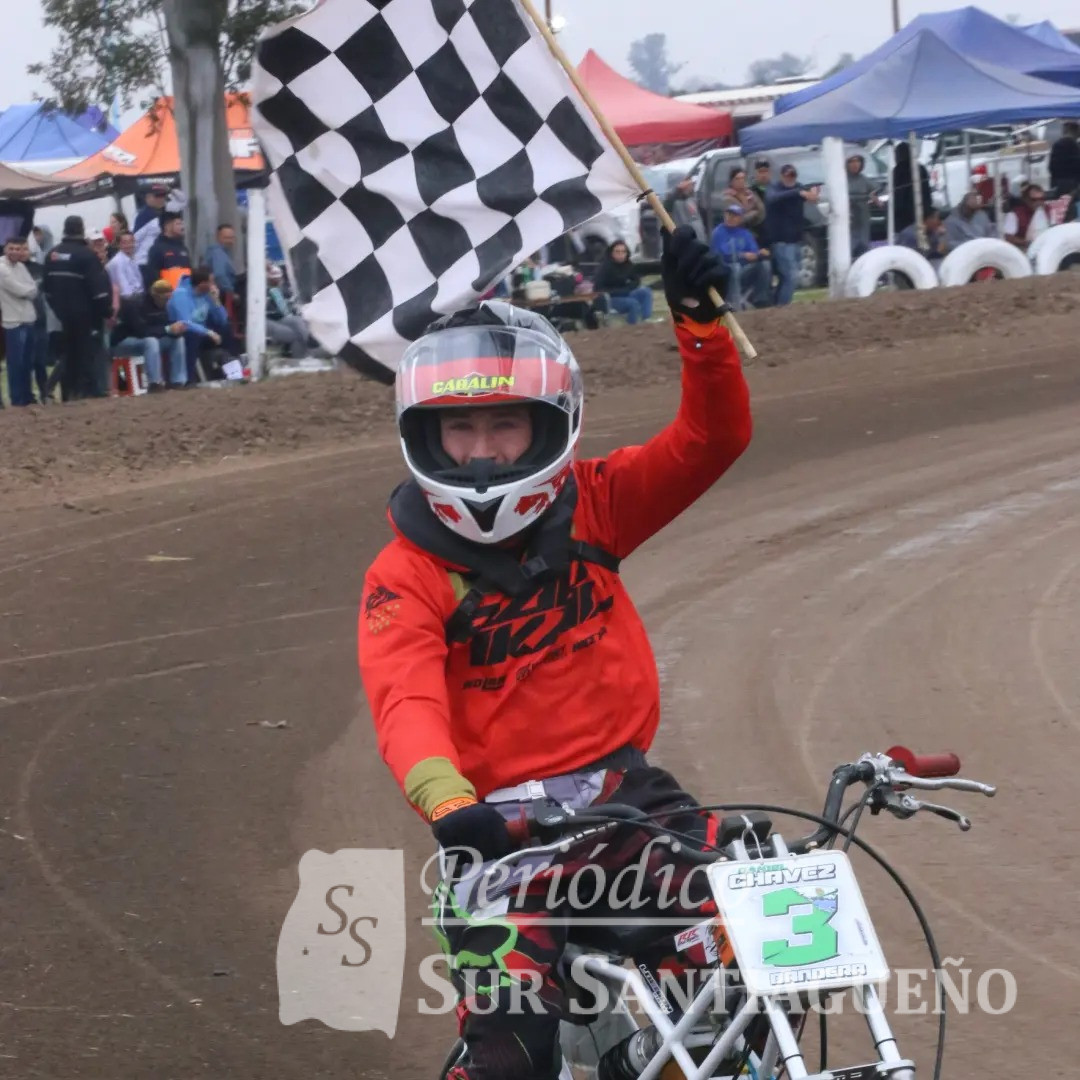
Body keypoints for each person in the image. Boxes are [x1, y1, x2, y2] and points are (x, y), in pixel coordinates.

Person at [357, 226, 751, 1080]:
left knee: (752, 963)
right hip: (503, 833)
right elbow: (406, 699)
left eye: (505, 424)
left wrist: (702, 331)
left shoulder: (595, 505)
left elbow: (709, 442)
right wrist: (448, 804)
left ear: (550, 426)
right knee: (507, 1055)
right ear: (427, 436)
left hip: (633, 802)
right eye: (461, 430)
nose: (485, 449)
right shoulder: (406, 573)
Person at [43, 215, 113, 401]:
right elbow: (98, 290)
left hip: (63, 315)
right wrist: (106, 310)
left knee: (69, 353)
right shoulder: (86, 255)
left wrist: (58, 309)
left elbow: (47, 289)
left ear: (65, 230)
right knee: (86, 353)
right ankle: (86, 392)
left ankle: (68, 394)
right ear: (81, 230)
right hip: (86, 315)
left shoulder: (52, 255)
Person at [111, 283, 187, 392]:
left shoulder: (166, 306)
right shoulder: (136, 305)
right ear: (156, 296)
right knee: (151, 341)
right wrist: (168, 329)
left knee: (178, 340)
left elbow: (165, 326)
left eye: (169, 298)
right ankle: (154, 383)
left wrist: (177, 330)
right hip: (124, 341)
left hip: (148, 341)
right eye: (165, 299)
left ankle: (178, 381)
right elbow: (141, 331)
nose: (167, 302)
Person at [765, 163, 818, 306]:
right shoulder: (775, 188)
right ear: (782, 176)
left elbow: (813, 199)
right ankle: (783, 306)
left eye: (793, 175)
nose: (790, 178)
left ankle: (777, 304)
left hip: (796, 240)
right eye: (788, 175)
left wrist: (813, 194)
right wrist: (798, 192)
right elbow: (772, 198)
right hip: (781, 242)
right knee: (791, 276)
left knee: (787, 277)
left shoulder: (799, 188)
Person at [169, 269, 234, 383]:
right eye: (211, 282)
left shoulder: (207, 295)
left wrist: (216, 301)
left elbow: (222, 320)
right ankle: (190, 380)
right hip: (182, 331)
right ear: (202, 284)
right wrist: (208, 332)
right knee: (191, 336)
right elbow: (185, 322)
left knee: (226, 328)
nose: (213, 285)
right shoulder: (180, 294)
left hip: (202, 331)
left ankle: (233, 368)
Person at [0, 236, 39, 406]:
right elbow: (21, 290)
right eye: (12, 248)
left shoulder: (22, 266)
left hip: (28, 319)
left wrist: (29, 290)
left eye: (18, 248)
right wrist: (29, 291)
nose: (15, 252)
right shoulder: (2, 268)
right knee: (15, 363)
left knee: (27, 362)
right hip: (13, 322)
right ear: (5, 249)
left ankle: (26, 397)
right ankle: (17, 399)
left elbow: (33, 288)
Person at [709, 203, 770, 310]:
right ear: (725, 215)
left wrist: (759, 254)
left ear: (740, 218)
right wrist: (742, 255)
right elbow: (720, 255)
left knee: (765, 265)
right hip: (726, 270)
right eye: (729, 215)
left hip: (744, 269)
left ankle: (760, 300)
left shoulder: (745, 233)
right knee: (734, 267)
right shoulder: (718, 232)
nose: (731, 218)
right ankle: (734, 303)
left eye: (735, 215)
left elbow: (754, 252)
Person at [593, 240, 654, 324]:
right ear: (611, 253)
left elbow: (636, 280)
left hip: (626, 293)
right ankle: (632, 328)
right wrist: (619, 291)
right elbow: (598, 289)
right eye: (617, 252)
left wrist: (629, 288)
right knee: (633, 303)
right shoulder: (604, 267)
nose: (620, 254)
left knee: (646, 291)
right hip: (610, 299)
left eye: (623, 252)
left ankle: (646, 320)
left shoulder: (628, 265)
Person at [266, 263, 311, 358]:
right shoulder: (265, 291)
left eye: (278, 278)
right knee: (296, 328)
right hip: (271, 319)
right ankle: (308, 345)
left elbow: (290, 308)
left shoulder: (284, 290)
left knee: (301, 322)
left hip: (284, 318)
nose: (277, 280)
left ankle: (302, 355)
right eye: (273, 279)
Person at [891, 141, 932, 234]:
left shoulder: (898, 170)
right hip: (922, 209)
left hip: (903, 214)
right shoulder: (920, 168)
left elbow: (898, 195)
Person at [145, 212, 192, 292]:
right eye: (178, 224)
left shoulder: (183, 248)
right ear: (167, 226)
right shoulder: (157, 249)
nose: (182, 227)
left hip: (185, 294)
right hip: (167, 297)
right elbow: (152, 277)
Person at [846, 154, 877, 258]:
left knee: (863, 250)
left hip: (863, 221)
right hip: (849, 222)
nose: (855, 164)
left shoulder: (864, 180)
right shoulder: (842, 180)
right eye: (852, 161)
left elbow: (876, 192)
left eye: (858, 161)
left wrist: (875, 198)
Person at [720, 167, 766, 237]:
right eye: (737, 179)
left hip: (753, 233)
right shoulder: (728, 198)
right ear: (731, 181)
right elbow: (737, 219)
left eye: (743, 178)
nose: (741, 181)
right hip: (735, 235)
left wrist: (753, 215)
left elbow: (761, 211)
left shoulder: (749, 194)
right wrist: (753, 213)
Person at [1003, 182, 1050, 251]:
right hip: (1023, 250)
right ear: (1026, 199)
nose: (1038, 202)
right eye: (1034, 200)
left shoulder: (1048, 210)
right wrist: (1026, 242)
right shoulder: (1015, 214)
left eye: (1041, 199)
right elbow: (1008, 237)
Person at [204, 223, 239, 303]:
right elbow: (219, 275)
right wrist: (231, 292)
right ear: (218, 237)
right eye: (226, 238)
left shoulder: (225, 253)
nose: (230, 241)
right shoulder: (218, 253)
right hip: (220, 295)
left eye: (232, 238)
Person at [107, 231, 145, 302]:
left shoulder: (132, 259)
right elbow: (125, 291)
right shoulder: (117, 262)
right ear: (119, 245)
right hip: (128, 301)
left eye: (131, 241)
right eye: (124, 242)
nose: (129, 245)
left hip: (138, 296)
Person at [1049, 120, 1080, 198]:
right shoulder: (1075, 146)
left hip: (1058, 185)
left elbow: (1051, 167)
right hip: (1074, 186)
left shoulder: (1057, 145)